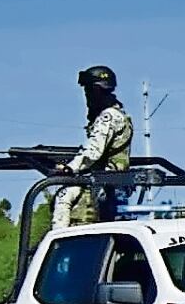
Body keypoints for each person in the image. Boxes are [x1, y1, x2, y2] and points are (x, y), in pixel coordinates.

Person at [52, 65, 134, 229]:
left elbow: (93, 151)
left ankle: (57, 241)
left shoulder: (108, 116)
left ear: (96, 92)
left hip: (107, 184)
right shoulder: (117, 115)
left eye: (88, 92)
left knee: (64, 198)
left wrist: (70, 168)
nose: (87, 97)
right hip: (111, 184)